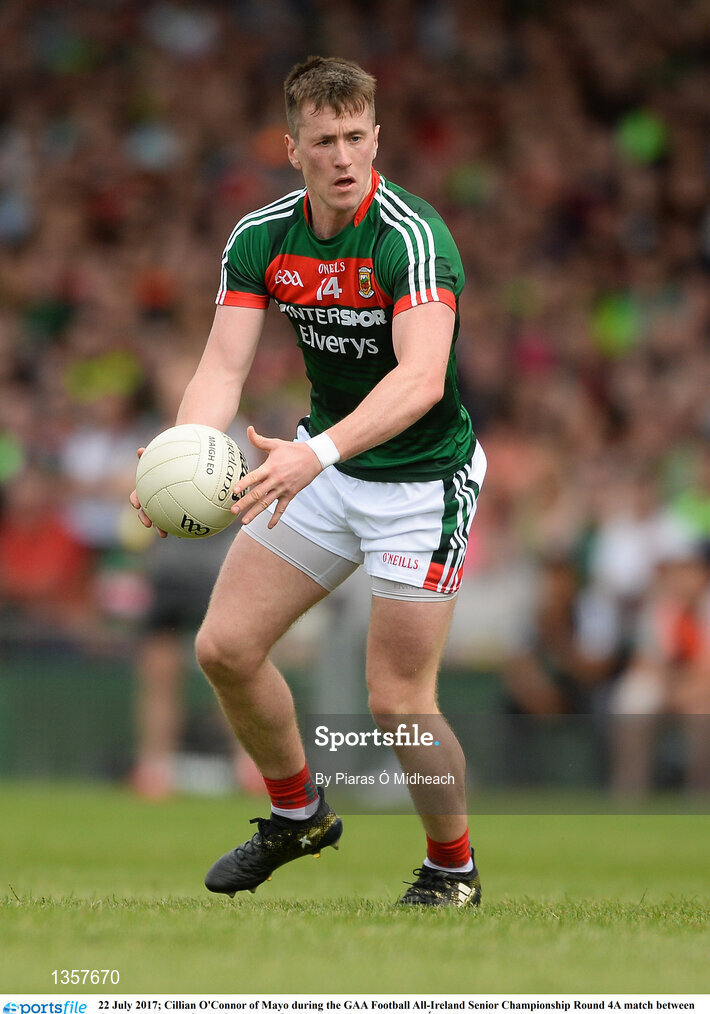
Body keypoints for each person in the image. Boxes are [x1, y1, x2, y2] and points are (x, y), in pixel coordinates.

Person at [130, 56, 486, 907]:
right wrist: (175, 459)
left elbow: (420, 381)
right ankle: (299, 815)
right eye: (323, 139)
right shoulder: (261, 239)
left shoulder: (410, 235)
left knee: (397, 700)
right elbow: (221, 365)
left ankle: (452, 867)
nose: (343, 155)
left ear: (377, 138)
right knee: (224, 647)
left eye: (357, 136)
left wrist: (313, 454)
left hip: (421, 484)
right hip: (321, 468)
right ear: (292, 148)